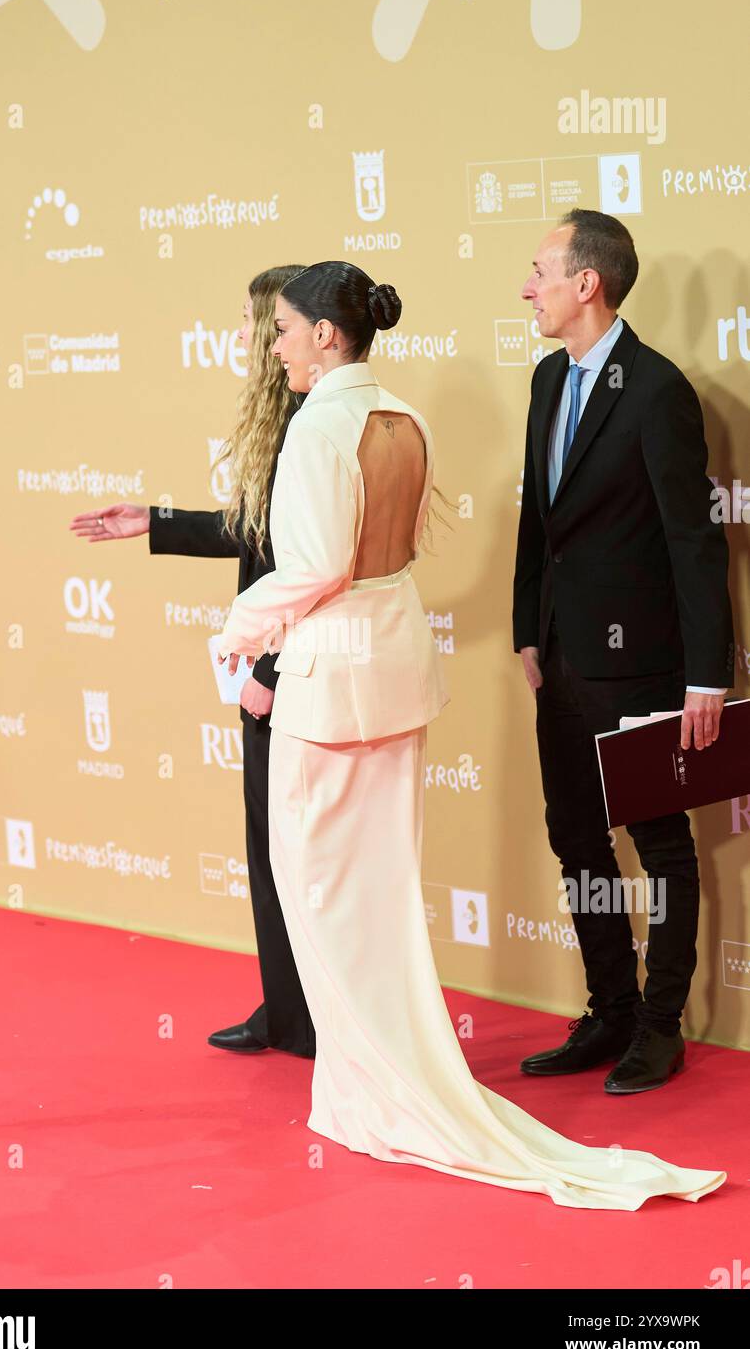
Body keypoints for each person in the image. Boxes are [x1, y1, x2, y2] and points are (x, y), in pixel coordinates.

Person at [214, 259, 726, 1210]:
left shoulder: (323, 425)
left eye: (281, 330)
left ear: (328, 333)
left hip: (346, 687)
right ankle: (404, 1073)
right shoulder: (404, 416)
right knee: (384, 895)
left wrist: (237, 635)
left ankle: (391, 1085)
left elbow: (320, 564)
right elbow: (426, 551)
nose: (272, 346)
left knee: (327, 895)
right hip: (404, 674)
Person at [69, 264, 316, 1059]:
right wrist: (155, 520)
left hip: (295, 671)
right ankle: (288, 1013)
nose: (252, 341)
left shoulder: (314, 425)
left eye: (264, 326)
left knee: (297, 853)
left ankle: (316, 1023)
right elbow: (253, 532)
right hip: (275, 668)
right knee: (269, 850)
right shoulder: (285, 421)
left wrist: (269, 673)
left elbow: (312, 568)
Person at [513, 209, 734, 1093]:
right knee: (577, 840)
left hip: (641, 666)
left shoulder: (655, 390)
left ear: (586, 284)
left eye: (538, 271)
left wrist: (707, 675)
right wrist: (528, 626)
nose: (526, 287)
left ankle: (658, 1024)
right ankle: (607, 1011)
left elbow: (693, 542)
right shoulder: (541, 381)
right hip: (562, 661)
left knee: (661, 848)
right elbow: (541, 517)